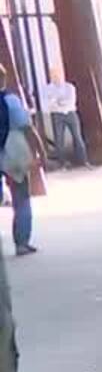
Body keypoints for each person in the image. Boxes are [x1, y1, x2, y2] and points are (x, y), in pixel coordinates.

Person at [0, 65, 35, 256]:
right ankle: (21, 242)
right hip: (11, 151)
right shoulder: (10, 100)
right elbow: (26, 126)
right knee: (21, 197)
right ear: (4, 79)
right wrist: (39, 150)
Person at [43, 72, 85, 168]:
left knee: (77, 136)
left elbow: (71, 101)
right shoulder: (48, 89)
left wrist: (58, 101)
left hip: (70, 113)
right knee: (59, 139)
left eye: (57, 76)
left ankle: (83, 160)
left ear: (62, 76)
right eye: (53, 76)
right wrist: (58, 102)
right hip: (57, 115)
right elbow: (49, 103)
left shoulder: (69, 87)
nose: (56, 78)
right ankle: (62, 163)